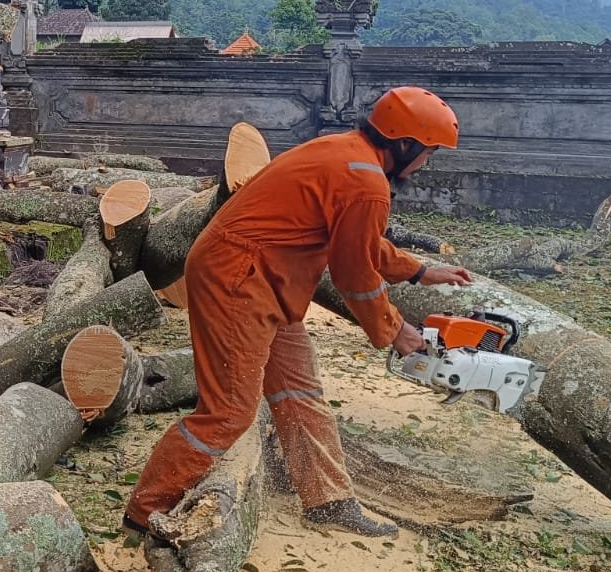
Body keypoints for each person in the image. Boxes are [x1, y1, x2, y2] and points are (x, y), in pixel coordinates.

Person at [124, 86, 473, 539]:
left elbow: (359, 242)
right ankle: (144, 513)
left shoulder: (346, 153)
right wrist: (396, 330)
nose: (426, 164)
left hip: (268, 280)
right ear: (405, 145)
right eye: (428, 153)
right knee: (228, 413)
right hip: (241, 280)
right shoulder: (366, 182)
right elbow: (355, 277)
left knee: (300, 389)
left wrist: (419, 269)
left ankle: (328, 500)